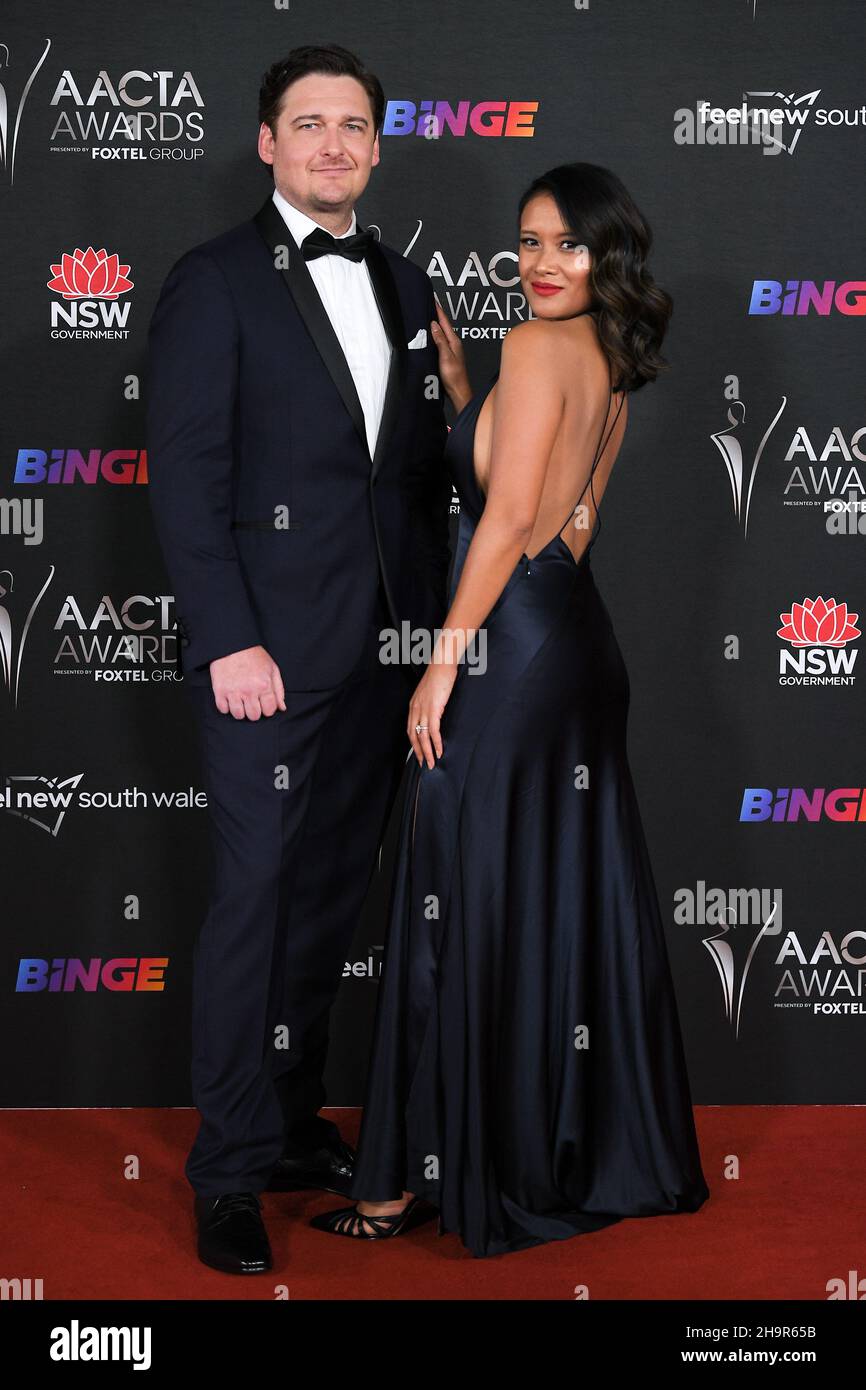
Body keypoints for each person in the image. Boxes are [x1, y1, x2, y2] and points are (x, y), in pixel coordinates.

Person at [311, 163, 711, 1257]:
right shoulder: (607, 363)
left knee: (454, 889)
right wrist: (456, 391)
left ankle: (399, 1185)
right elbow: (533, 497)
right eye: (526, 242)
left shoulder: (536, 349)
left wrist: (441, 665)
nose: (539, 263)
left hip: (508, 649)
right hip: (571, 642)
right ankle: (539, 1143)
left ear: (605, 256)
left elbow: (506, 522)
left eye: (565, 246)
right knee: (538, 893)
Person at [145, 44, 451, 1274]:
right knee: (255, 902)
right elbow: (185, 477)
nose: (333, 142)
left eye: (354, 125)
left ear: (377, 147)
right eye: (308, 122)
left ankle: (282, 1124)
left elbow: (415, 477)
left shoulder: (402, 276)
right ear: (266, 143)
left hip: (385, 655)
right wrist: (227, 636)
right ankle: (222, 1171)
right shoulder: (213, 282)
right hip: (265, 658)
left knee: (327, 901)